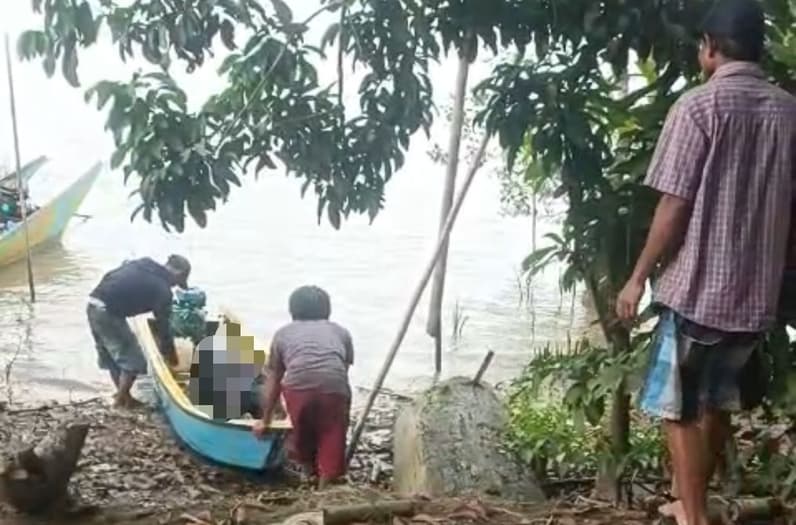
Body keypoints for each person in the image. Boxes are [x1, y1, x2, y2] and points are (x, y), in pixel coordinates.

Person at [616, 1, 796, 524]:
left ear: (711, 48)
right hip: (755, 297)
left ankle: (692, 517)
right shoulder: (789, 112)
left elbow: (673, 204)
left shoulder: (698, 108)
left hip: (697, 292)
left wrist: (636, 278)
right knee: (716, 404)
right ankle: (688, 501)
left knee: (677, 410)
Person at [253, 285, 354, 488]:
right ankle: (325, 485)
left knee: (301, 432)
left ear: (293, 311)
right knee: (333, 432)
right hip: (334, 387)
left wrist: (265, 420)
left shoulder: (283, 334)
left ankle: (308, 471)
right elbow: (342, 369)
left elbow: (274, 379)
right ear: (328, 310)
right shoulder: (341, 332)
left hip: (298, 388)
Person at [87, 255, 192, 408]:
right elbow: (163, 328)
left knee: (112, 357)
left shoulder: (142, 264)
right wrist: (172, 357)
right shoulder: (162, 290)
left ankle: (124, 397)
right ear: (178, 274)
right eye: (177, 282)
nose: (174, 285)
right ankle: (119, 402)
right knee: (135, 361)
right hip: (108, 314)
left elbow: (111, 276)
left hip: (93, 305)